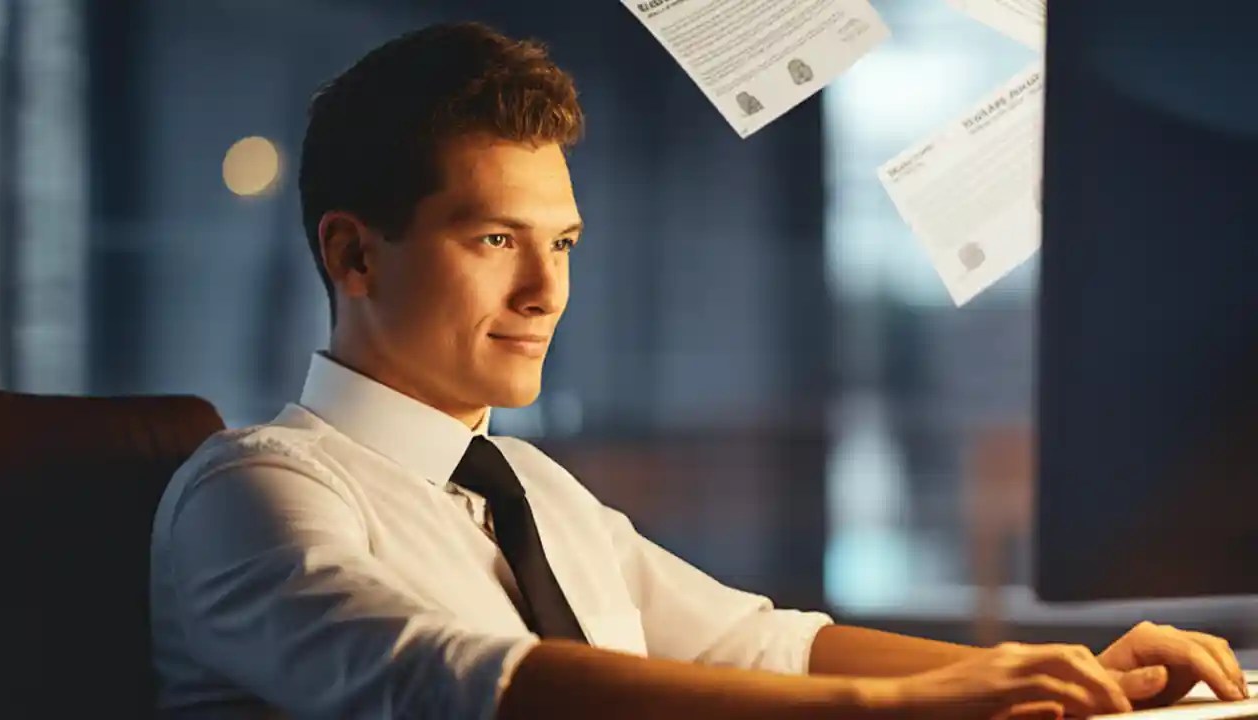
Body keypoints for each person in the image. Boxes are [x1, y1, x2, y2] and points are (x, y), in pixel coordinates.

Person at [149, 21, 1249, 720]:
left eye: (563, 243)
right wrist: (919, 706)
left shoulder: (533, 496)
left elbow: (762, 644)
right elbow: (460, 686)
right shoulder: (256, 489)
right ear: (352, 252)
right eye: (494, 240)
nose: (546, 292)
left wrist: (1068, 676)